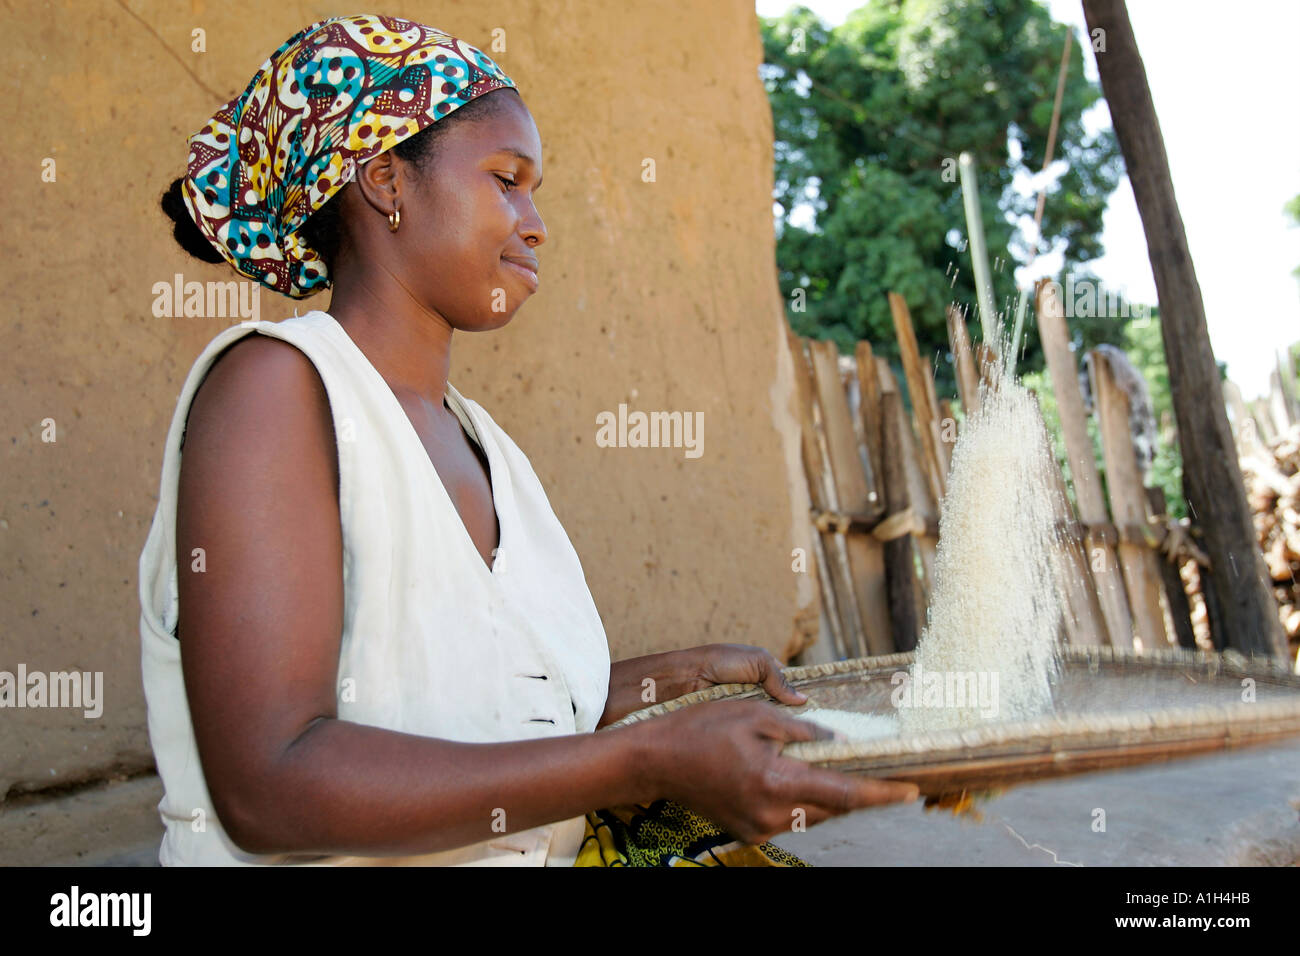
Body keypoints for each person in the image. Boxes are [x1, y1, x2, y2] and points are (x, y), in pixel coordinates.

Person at [142, 13, 918, 867]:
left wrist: (661, 689)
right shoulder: (276, 390)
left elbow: (478, 709)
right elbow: (270, 788)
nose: (536, 222)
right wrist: (643, 760)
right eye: (507, 179)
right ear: (385, 180)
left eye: (534, 188)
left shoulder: (485, 446)